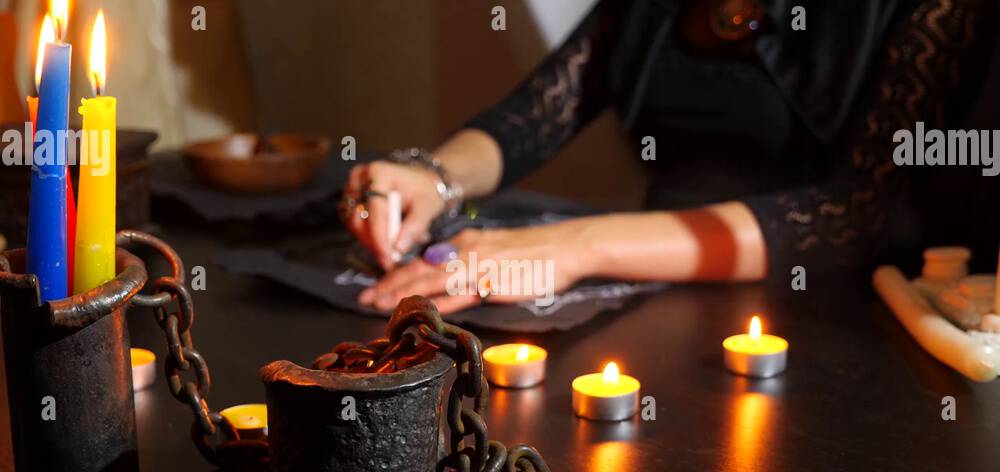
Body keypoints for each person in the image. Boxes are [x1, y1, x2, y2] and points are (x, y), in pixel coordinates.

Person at [342, 0, 995, 314]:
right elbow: (536, 115)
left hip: (850, 332)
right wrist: (433, 176)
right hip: (665, 302)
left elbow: (857, 215)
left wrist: (573, 248)